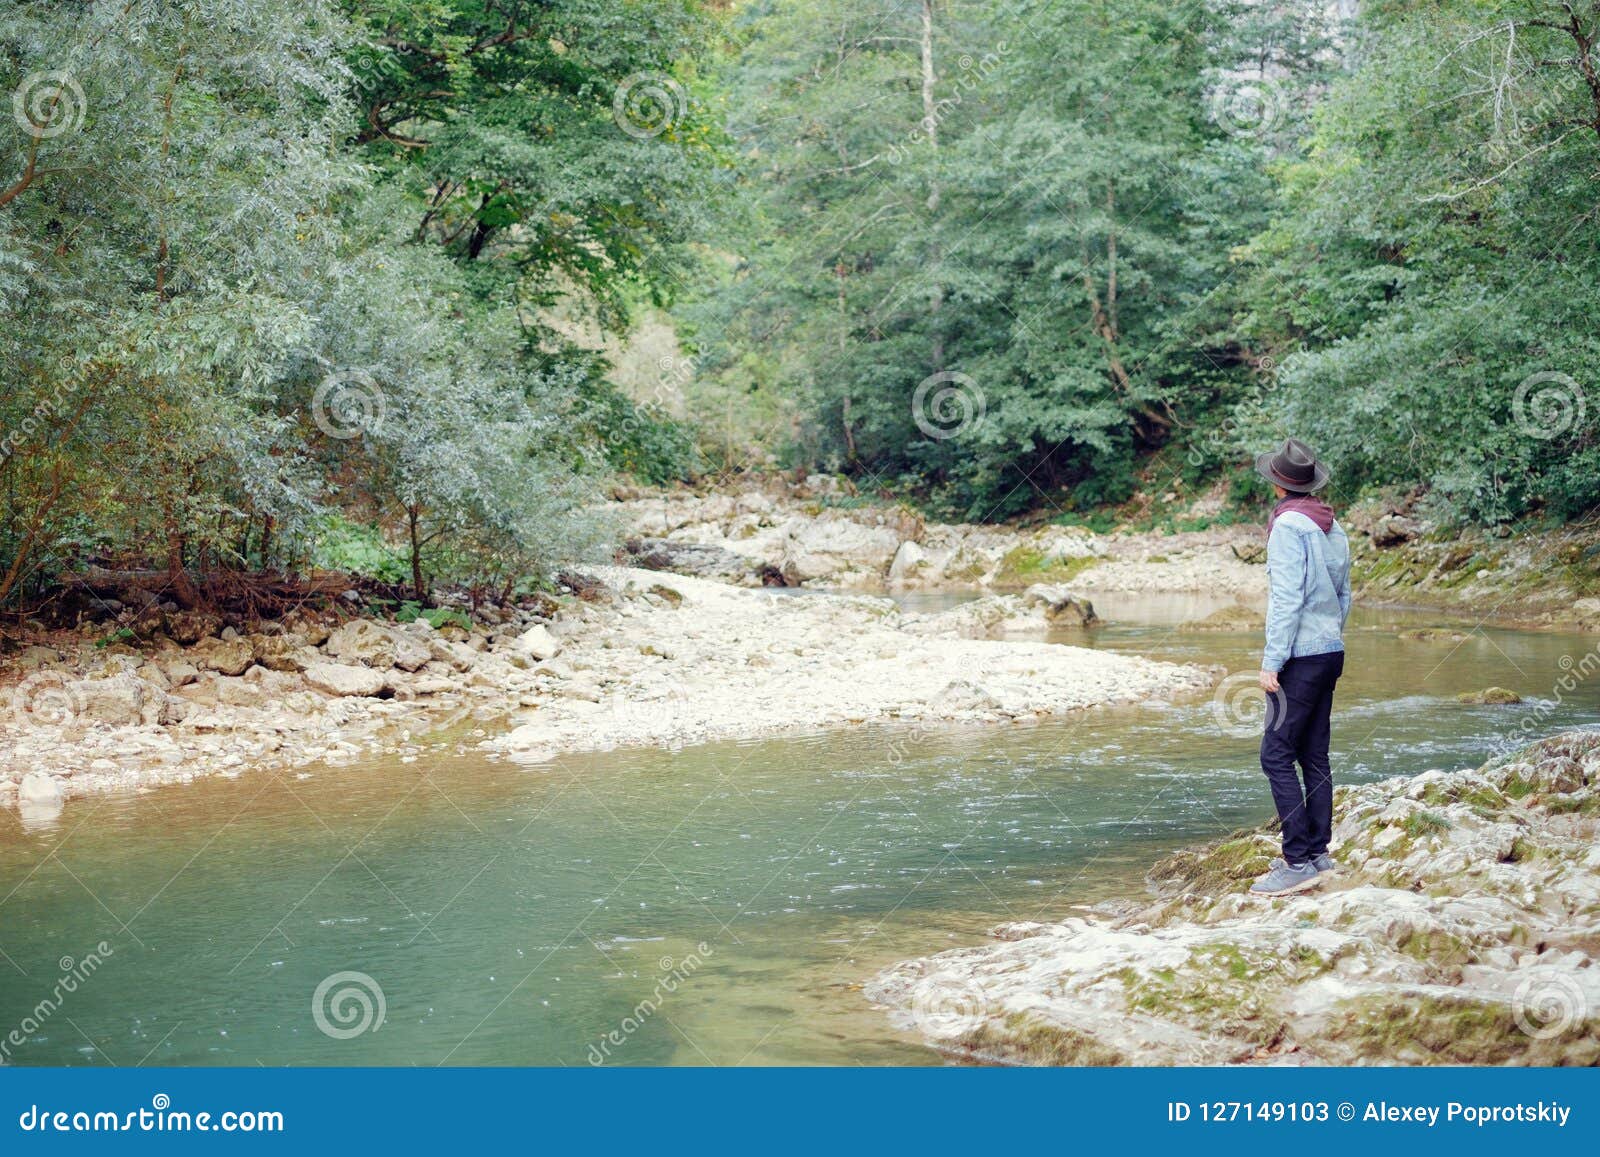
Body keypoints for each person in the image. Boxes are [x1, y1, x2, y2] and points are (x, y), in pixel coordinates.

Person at [1247, 438, 1352, 897]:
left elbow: (1286, 598)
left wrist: (1273, 660)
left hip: (1302, 656)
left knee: (1275, 754)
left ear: (1277, 484)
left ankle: (1297, 861)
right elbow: (1345, 595)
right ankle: (1317, 853)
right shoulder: (1332, 525)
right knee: (1313, 753)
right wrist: (1328, 636)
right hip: (1330, 650)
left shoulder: (1288, 526)